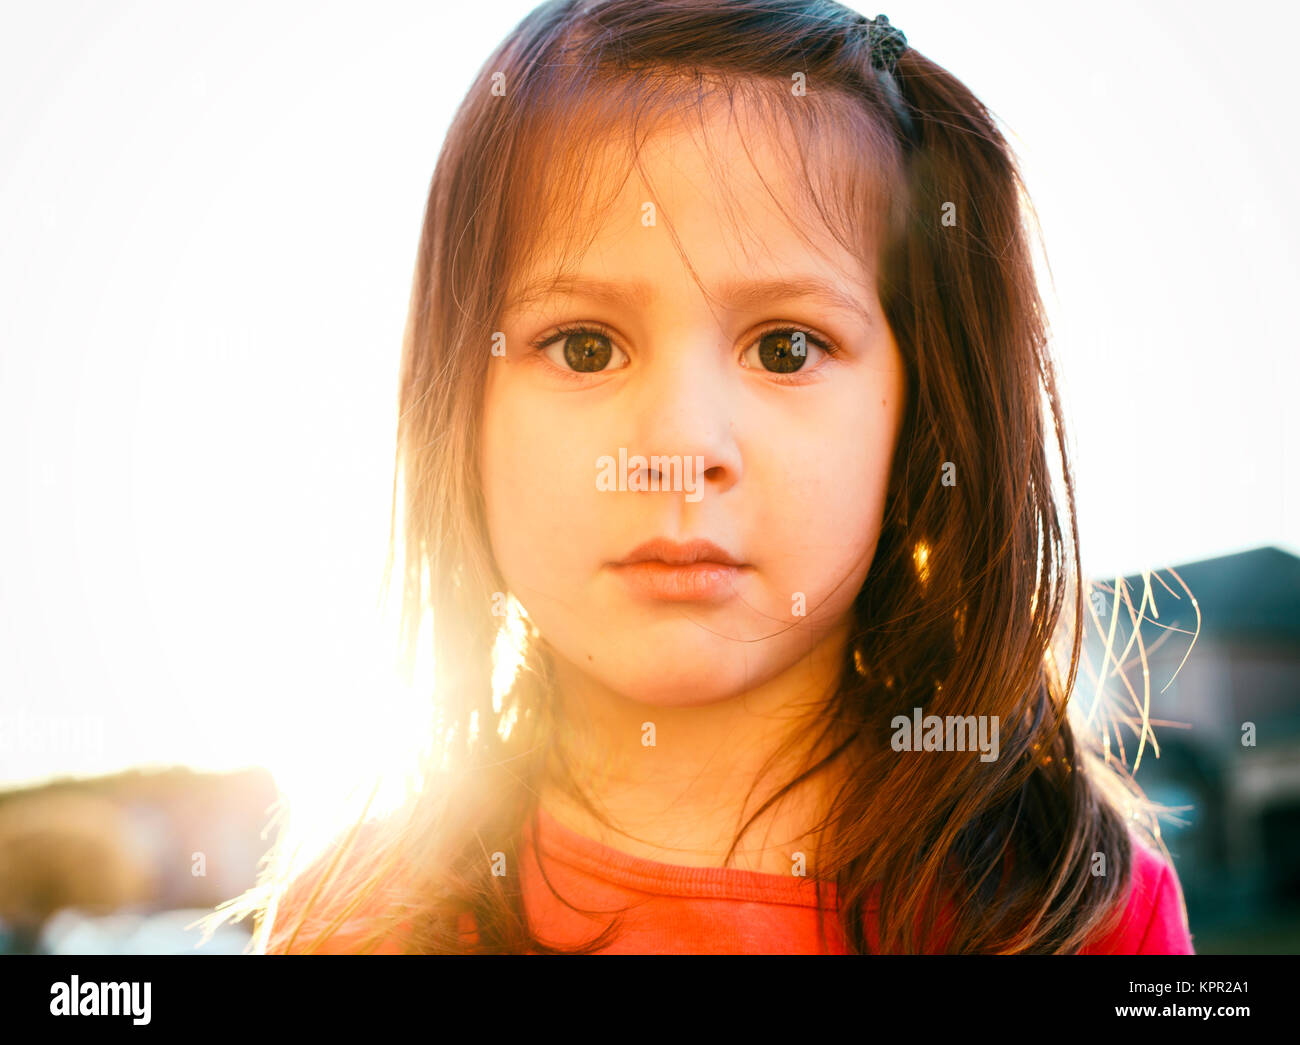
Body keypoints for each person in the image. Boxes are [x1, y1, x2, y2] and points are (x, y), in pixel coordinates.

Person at [227, 0, 1196, 954]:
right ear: (456, 410)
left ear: (921, 413)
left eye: (784, 347)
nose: (678, 448)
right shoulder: (362, 924)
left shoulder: (1070, 912)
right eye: (583, 346)